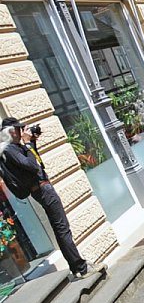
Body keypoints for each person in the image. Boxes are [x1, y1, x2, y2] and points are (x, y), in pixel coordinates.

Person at [1, 117, 104, 280]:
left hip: (43, 189)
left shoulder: (14, 148)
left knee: (61, 228)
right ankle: (81, 268)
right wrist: (27, 144)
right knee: (62, 228)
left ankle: (77, 266)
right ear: (11, 131)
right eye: (19, 129)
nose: (22, 131)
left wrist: (31, 143)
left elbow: (36, 162)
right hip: (43, 190)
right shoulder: (10, 150)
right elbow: (33, 166)